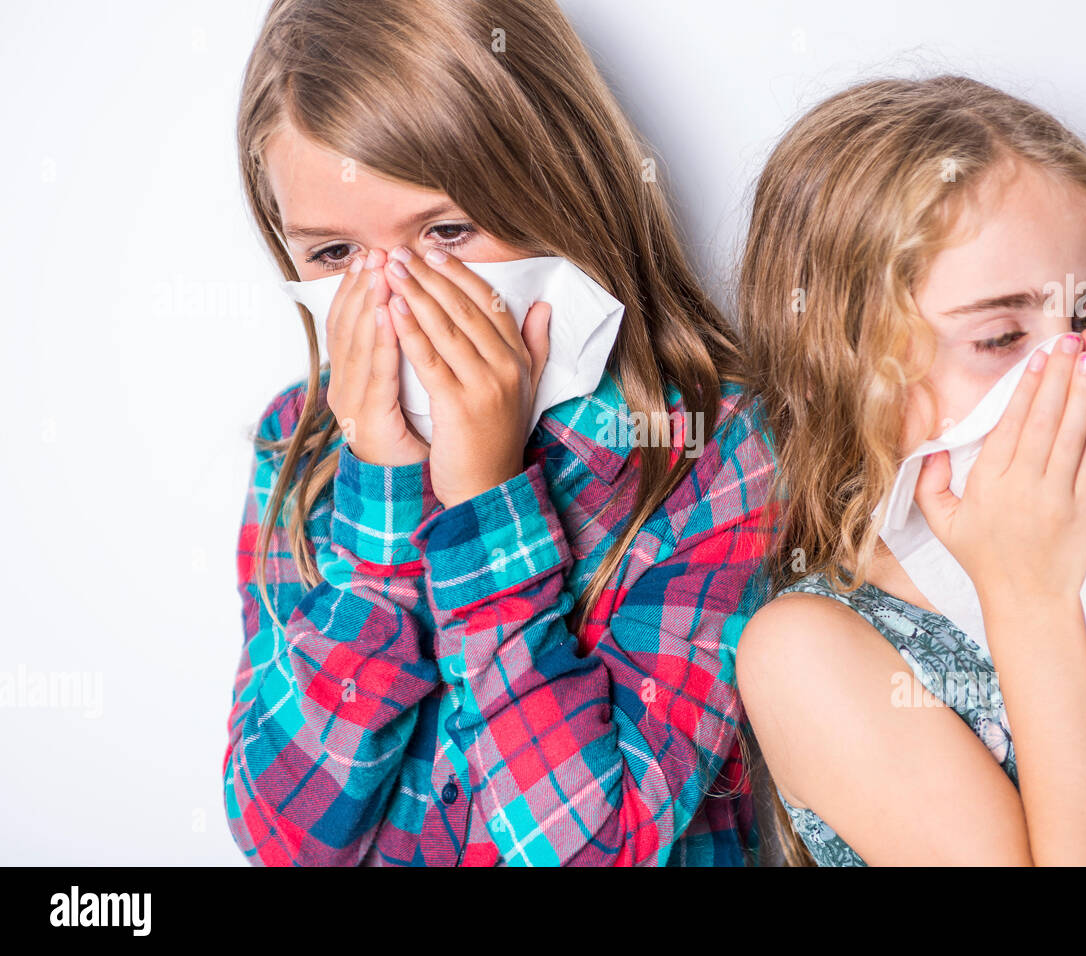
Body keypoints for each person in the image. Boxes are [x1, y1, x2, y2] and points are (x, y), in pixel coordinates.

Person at [224, 0, 773, 866]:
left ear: (560, 191)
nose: (395, 296)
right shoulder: (298, 443)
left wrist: (485, 497)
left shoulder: (708, 445)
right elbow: (286, 836)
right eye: (334, 256)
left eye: (445, 233)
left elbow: (595, 850)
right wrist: (384, 504)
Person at [734, 75, 1086, 866]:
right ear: (845, 361)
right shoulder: (809, 651)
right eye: (1002, 337)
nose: (1071, 371)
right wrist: (1033, 605)